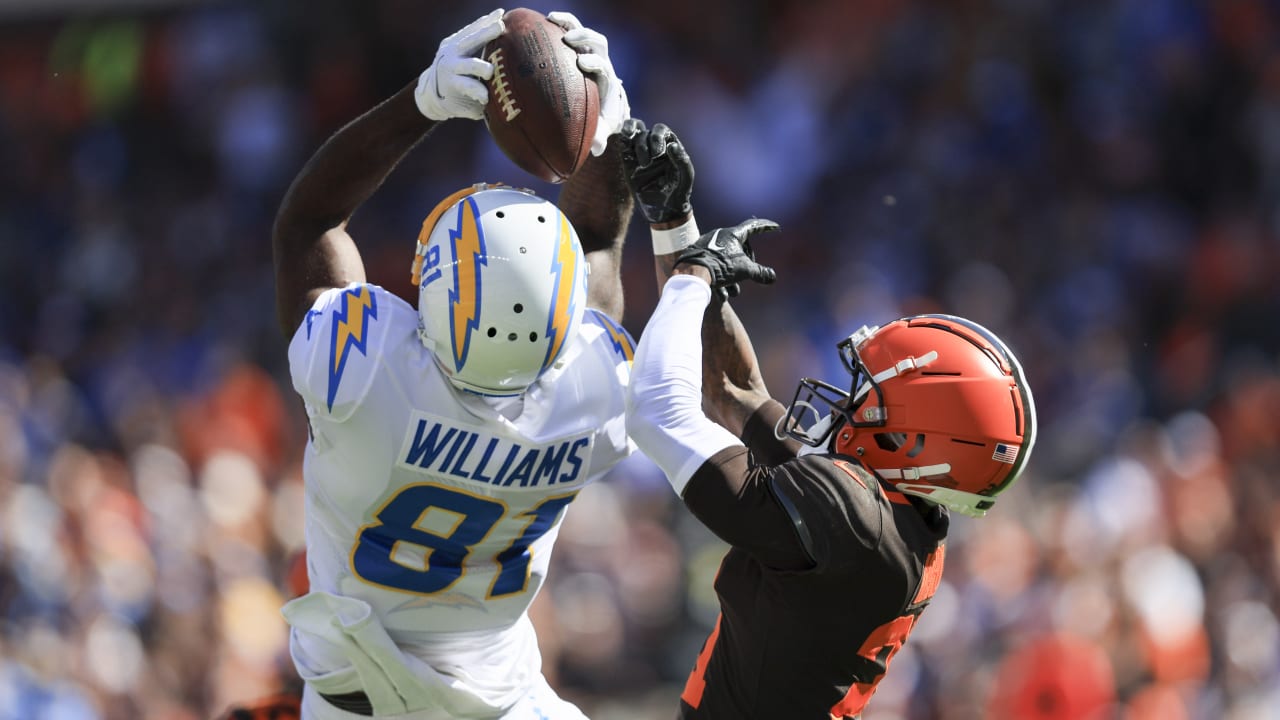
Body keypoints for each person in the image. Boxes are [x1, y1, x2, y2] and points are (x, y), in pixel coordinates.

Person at [268, 8, 635, 719]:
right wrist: (606, 127)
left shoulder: (365, 374)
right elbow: (596, 241)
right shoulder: (586, 396)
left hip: (354, 703)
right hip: (505, 702)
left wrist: (420, 102)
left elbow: (309, 223)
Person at [619, 119, 1038, 719]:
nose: (852, 400)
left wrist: (695, 275)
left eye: (874, 394)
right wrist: (672, 221)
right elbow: (730, 388)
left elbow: (658, 410)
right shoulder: (890, 513)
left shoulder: (855, 515)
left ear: (915, 438)